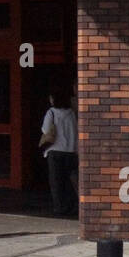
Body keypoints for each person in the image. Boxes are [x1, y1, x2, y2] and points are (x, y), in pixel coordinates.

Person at [40, 87, 78, 217]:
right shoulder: (72, 113)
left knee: (56, 182)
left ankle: (59, 208)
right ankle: (71, 206)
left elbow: (45, 130)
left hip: (55, 152)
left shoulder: (51, 112)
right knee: (69, 182)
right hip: (70, 151)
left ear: (54, 99)